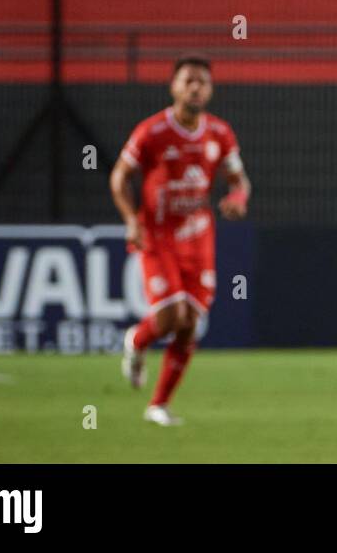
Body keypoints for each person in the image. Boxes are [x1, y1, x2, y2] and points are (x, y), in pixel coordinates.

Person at [110, 56, 251, 426]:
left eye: (202, 82)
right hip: (156, 234)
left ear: (210, 89)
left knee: (191, 323)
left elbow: (239, 181)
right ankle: (137, 342)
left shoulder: (219, 133)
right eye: (188, 81)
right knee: (172, 315)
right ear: (173, 87)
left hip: (198, 236)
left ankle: (158, 405)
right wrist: (130, 219)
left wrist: (237, 201)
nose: (195, 88)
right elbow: (119, 176)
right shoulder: (152, 132)